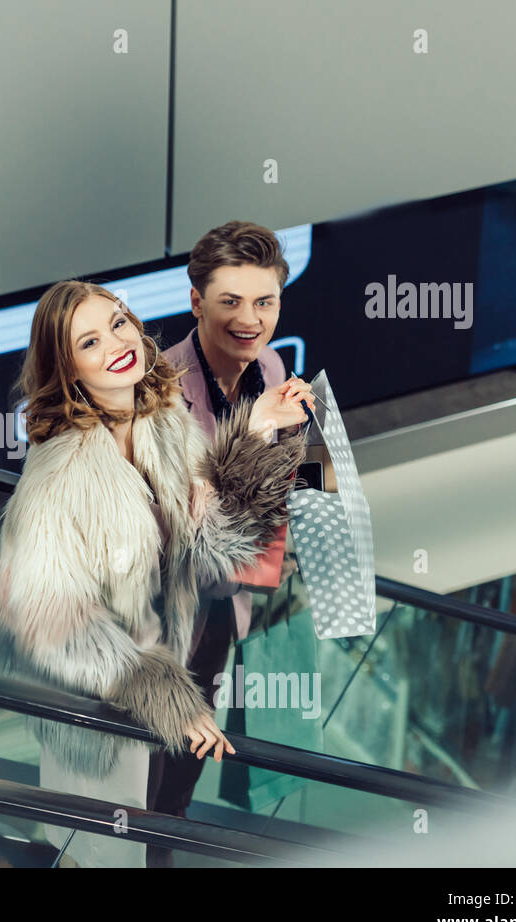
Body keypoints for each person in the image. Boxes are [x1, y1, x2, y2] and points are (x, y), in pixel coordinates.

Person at [0, 279, 313, 867]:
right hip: (104, 699)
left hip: (176, 656)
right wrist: (164, 696)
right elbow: (47, 619)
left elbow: (210, 535)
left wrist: (260, 428)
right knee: (104, 845)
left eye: (117, 322)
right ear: (69, 368)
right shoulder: (60, 474)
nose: (115, 342)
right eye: (89, 341)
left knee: (159, 822)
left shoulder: (162, 420)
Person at [145, 221, 309, 864]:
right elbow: (181, 523)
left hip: (225, 603)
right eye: (230, 302)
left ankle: (163, 843)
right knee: (145, 758)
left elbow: (288, 474)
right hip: (158, 612)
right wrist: (253, 426)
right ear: (195, 303)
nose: (250, 319)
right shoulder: (156, 389)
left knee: (188, 762)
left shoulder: (269, 366)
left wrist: (307, 475)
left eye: (264, 302)